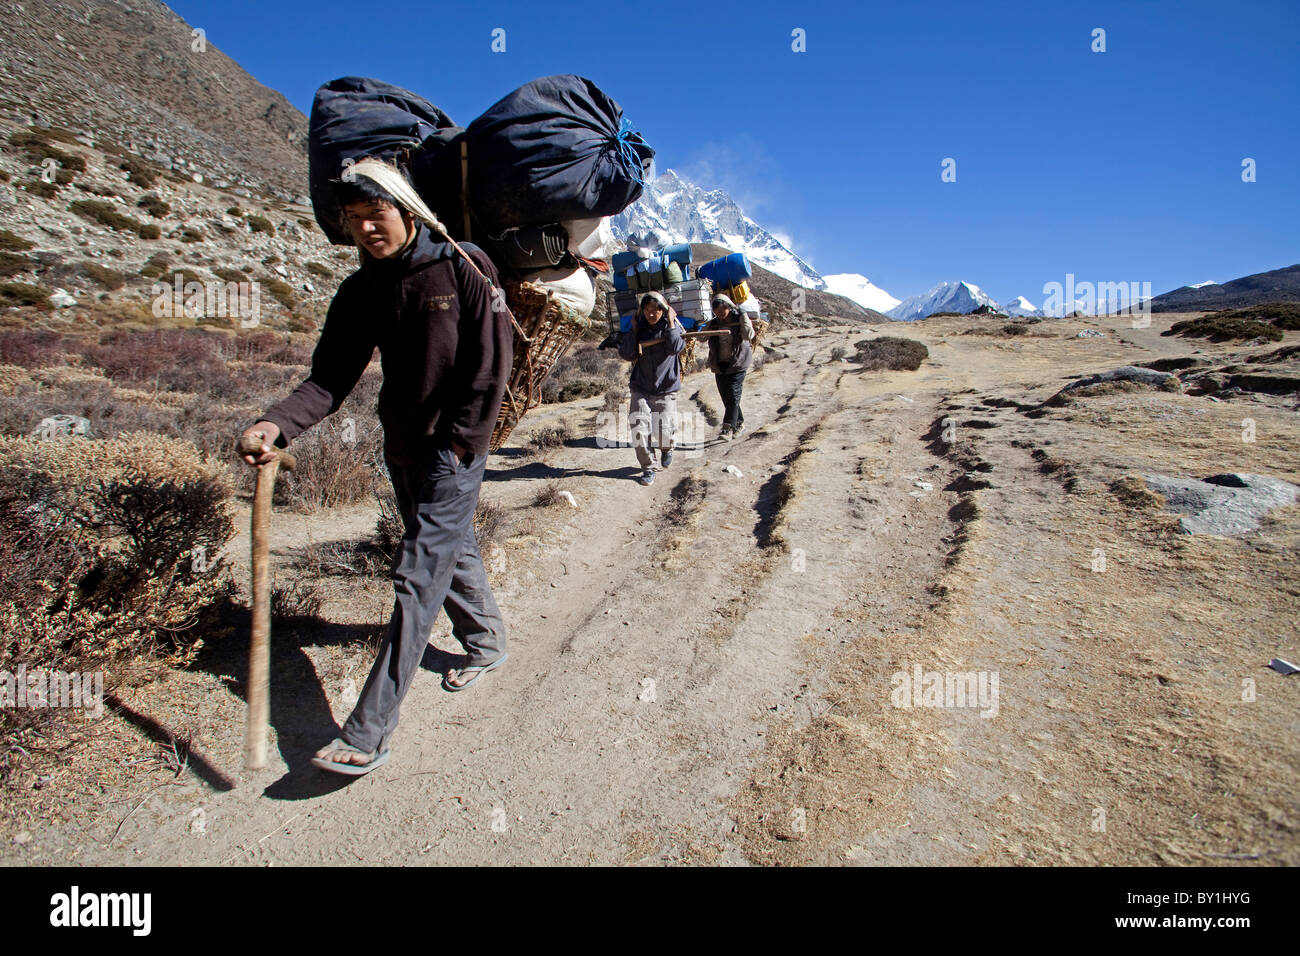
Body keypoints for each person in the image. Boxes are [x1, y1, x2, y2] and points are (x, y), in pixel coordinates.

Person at [236, 159, 513, 776]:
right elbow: (330, 377)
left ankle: (368, 731)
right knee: (448, 547)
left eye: (376, 214)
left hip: (453, 449)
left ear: (407, 211)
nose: (366, 229)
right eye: (354, 220)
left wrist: (463, 444)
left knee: (416, 574)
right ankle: (487, 641)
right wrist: (276, 422)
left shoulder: (462, 265)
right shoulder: (361, 291)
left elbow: (493, 364)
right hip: (402, 444)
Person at [618, 290, 683, 486]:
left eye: (655, 310)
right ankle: (648, 468)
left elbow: (674, 348)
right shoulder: (641, 329)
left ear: (663, 310)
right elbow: (627, 354)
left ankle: (667, 448)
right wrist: (634, 330)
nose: (651, 314)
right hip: (641, 387)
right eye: (647, 310)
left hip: (666, 387)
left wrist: (671, 322)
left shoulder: (672, 327)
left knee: (663, 429)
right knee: (639, 428)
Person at [705, 293, 754, 440]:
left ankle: (727, 428)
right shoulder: (714, 323)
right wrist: (707, 322)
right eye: (716, 311)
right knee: (727, 397)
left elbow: (748, 335)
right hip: (720, 365)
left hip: (738, 364)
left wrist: (743, 316)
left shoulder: (738, 319)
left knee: (733, 395)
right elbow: (701, 337)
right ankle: (739, 423)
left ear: (729, 307)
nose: (720, 313)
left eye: (722, 309)